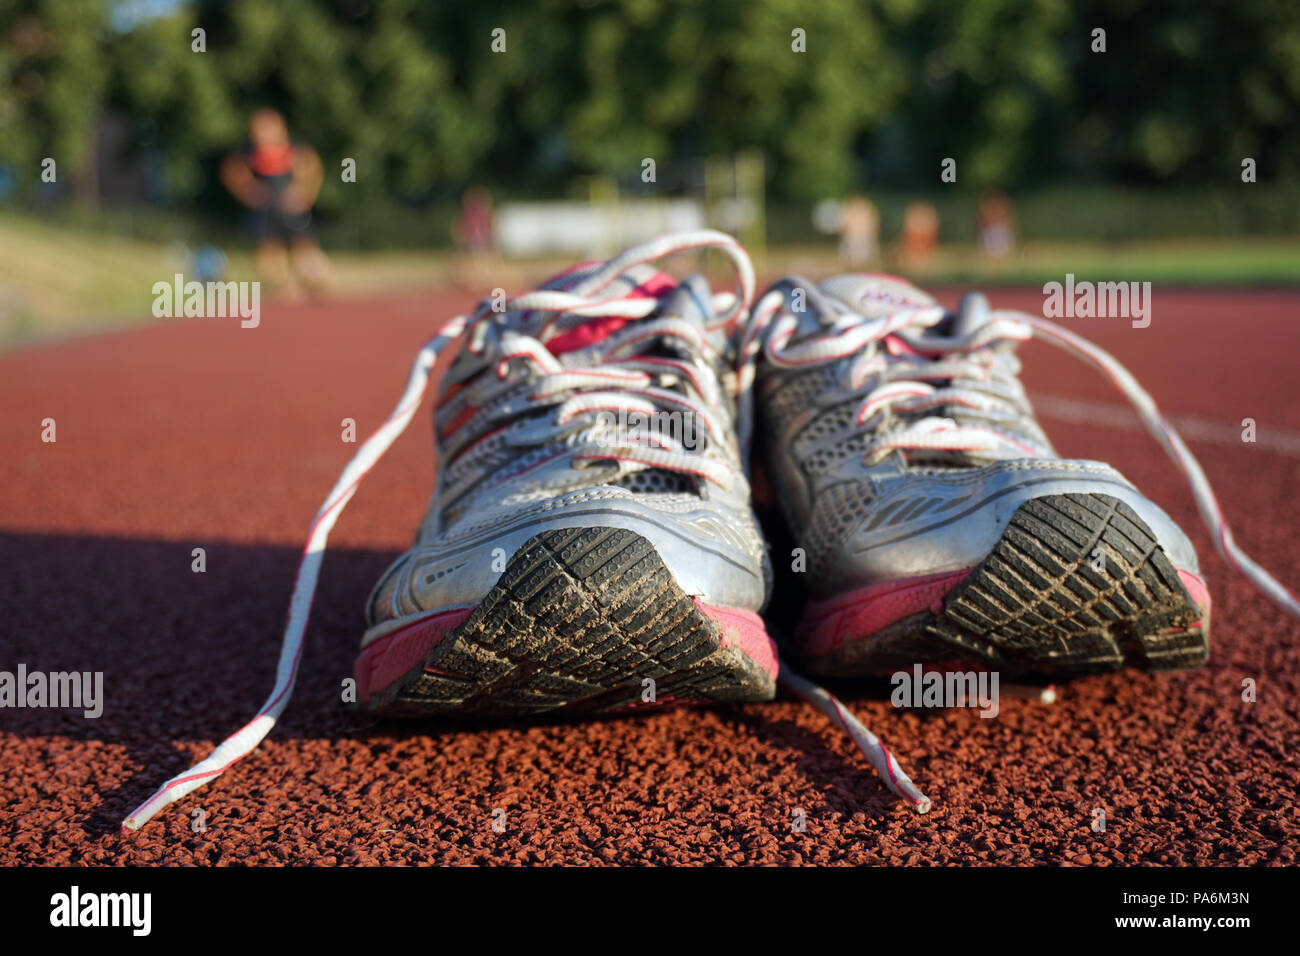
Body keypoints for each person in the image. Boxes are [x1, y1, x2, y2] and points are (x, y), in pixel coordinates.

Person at [220, 108, 330, 295]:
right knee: (270, 261)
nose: (264, 133)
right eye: (259, 129)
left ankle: (314, 282)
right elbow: (232, 172)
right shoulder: (250, 154)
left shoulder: (293, 150)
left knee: (307, 255)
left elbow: (313, 168)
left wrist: (304, 193)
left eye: (268, 127)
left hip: (293, 210)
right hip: (267, 210)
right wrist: (250, 192)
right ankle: (281, 289)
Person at [838, 195, 880, 269]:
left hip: (861, 238)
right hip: (856, 238)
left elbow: (843, 226)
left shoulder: (850, 209)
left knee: (861, 262)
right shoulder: (865, 208)